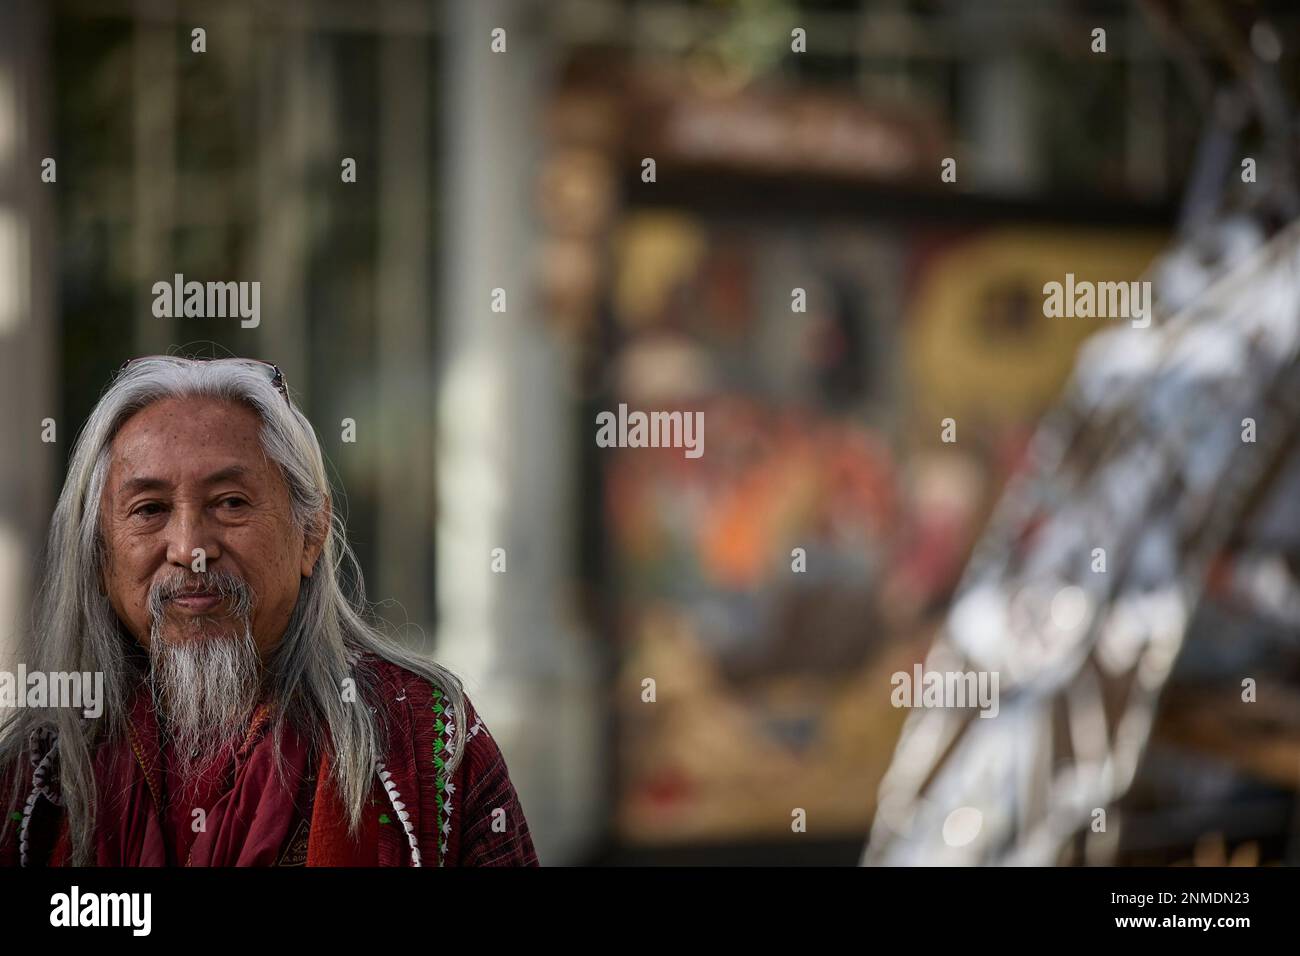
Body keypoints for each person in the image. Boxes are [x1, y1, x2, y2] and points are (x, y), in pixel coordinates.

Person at [0, 356, 538, 867]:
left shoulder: (425, 739)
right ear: (99, 554)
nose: (190, 547)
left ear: (310, 533)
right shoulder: (34, 777)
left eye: (230, 502)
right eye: (150, 510)